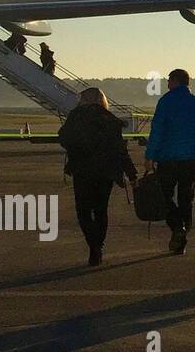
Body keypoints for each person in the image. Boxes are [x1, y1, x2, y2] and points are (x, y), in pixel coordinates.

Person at [58, 88, 138, 267]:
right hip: (106, 172)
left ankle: (93, 244)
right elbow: (120, 150)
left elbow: (63, 138)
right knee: (101, 210)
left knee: (83, 210)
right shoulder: (109, 119)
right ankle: (98, 245)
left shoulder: (76, 116)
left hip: (83, 170)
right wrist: (131, 173)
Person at [143, 68, 195, 255]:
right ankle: (183, 235)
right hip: (189, 159)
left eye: (169, 81)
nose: (167, 84)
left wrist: (150, 156)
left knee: (165, 197)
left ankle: (177, 227)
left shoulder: (165, 102)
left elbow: (157, 131)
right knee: (186, 198)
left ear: (175, 81)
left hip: (167, 159)